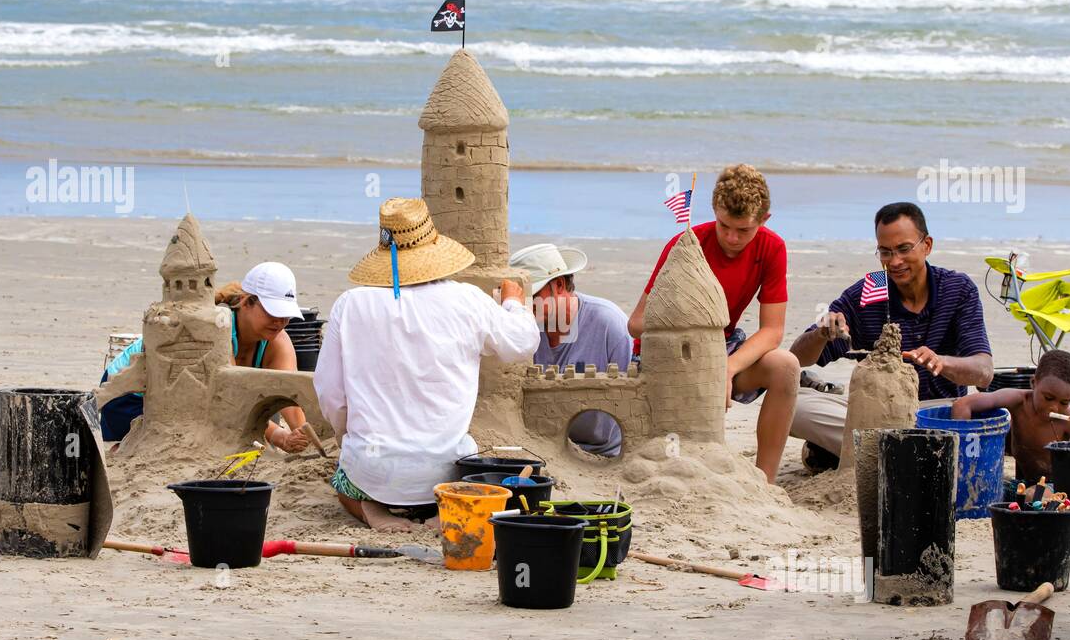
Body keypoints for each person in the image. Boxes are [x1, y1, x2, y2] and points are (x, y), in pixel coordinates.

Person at [314, 197, 540, 532]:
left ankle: (372, 511)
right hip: (447, 467)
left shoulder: (351, 304)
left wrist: (347, 434)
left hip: (374, 469)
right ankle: (444, 511)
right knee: (463, 460)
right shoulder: (467, 299)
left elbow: (330, 392)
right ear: (434, 247)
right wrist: (513, 302)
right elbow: (522, 343)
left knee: (344, 482)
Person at [627, 164, 799, 484]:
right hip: (665, 357)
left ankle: (765, 482)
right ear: (714, 212)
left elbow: (773, 330)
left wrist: (727, 368)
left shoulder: (772, 247)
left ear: (764, 221)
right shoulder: (687, 244)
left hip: (724, 347)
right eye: (724, 226)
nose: (732, 238)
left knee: (786, 366)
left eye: (743, 230)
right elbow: (636, 324)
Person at [789, 202, 994, 469]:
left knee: (971, 418)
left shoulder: (957, 289)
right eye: (885, 252)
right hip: (878, 414)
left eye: (903, 249)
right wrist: (821, 333)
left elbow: (983, 371)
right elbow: (797, 359)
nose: (894, 262)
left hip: (936, 413)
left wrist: (941, 362)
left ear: (927, 245)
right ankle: (889, 453)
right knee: (792, 406)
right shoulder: (870, 290)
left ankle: (862, 451)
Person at [99, 261, 315, 452]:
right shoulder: (215, 328)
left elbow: (290, 396)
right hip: (128, 395)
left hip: (183, 394)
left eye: (285, 315)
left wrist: (306, 438)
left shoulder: (278, 339)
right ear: (247, 302)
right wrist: (280, 437)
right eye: (272, 312)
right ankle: (127, 446)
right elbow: (230, 402)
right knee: (201, 424)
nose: (279, 321)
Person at [509, 243, 633, 457]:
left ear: (558, 285)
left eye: (532, 295)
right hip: (544, 448)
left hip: (604, 453)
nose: (525, 305)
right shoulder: (523, 326)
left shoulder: (609, 325)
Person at [950, 350, 1070, 482]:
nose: (1055, 407)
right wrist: (963, 462)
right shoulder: (1018, 401)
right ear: (1033, 383)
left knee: (1031, 496)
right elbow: (962, 404)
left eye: (1064, 402)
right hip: (1022, 484)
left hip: (1057, 490)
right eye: (1048, 398)